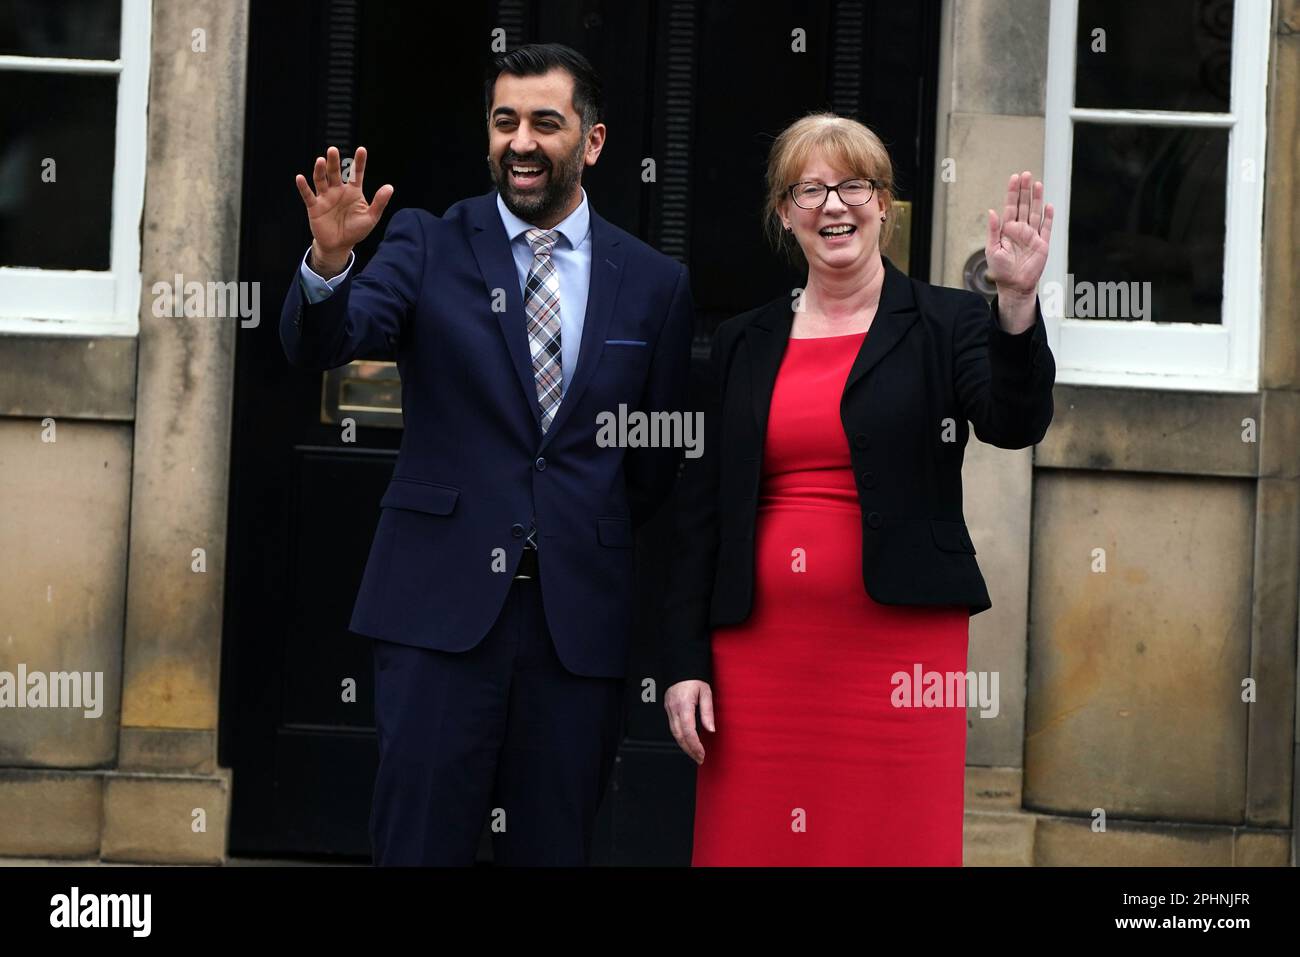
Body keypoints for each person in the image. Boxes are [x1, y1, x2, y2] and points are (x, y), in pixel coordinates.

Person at [280, 43, 693, 865]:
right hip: (437, 615)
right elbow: (329, 340)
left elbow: (653, 463)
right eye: (505, 122)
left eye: (546, 121)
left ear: (594, 141)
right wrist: (329, 265)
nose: (522, 142)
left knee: (555, 849)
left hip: (576, 630)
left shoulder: (652, 282)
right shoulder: (428, 243)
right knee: (419, 845)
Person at [661, 112, 1055, 866]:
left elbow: (1014, 422)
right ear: (785, 213)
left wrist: (1014, 307)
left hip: (902, 656)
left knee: (890, 841)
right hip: (759, 654)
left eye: (853, 185)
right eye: (810, 190)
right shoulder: (745, 338)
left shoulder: (950, 323)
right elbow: (701, 510)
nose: (833, 205)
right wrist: (683, 659)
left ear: (883, 203)